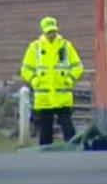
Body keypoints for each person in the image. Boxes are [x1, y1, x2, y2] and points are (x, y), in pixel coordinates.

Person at [20, 16, 84, 145]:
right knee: (45, 132)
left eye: (53, 31)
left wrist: (69, 79)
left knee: (69, 130)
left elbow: (78, 66)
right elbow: (25, 69)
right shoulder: (35, 48)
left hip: (63, 97)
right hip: (44, 98)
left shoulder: (66, 46)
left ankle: (75, 155)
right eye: (49, 32)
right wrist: (35, 81)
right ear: (43, 32)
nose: (51, 34)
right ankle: (45, 159)